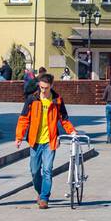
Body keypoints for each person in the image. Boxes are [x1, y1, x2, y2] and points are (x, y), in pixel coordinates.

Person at [14, 73, 76, 209]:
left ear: (51, 85)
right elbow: (23, 118)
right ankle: (40, 191)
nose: (43, 90)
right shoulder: (32, 99)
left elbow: (64, 119)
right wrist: (19, 137)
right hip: (35, 141)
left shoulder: (57, 100)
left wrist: (71, 131)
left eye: (46, 88)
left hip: (50, 141)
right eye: (41, 87)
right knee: (34, 171)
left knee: (47, 169)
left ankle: (44, 198)